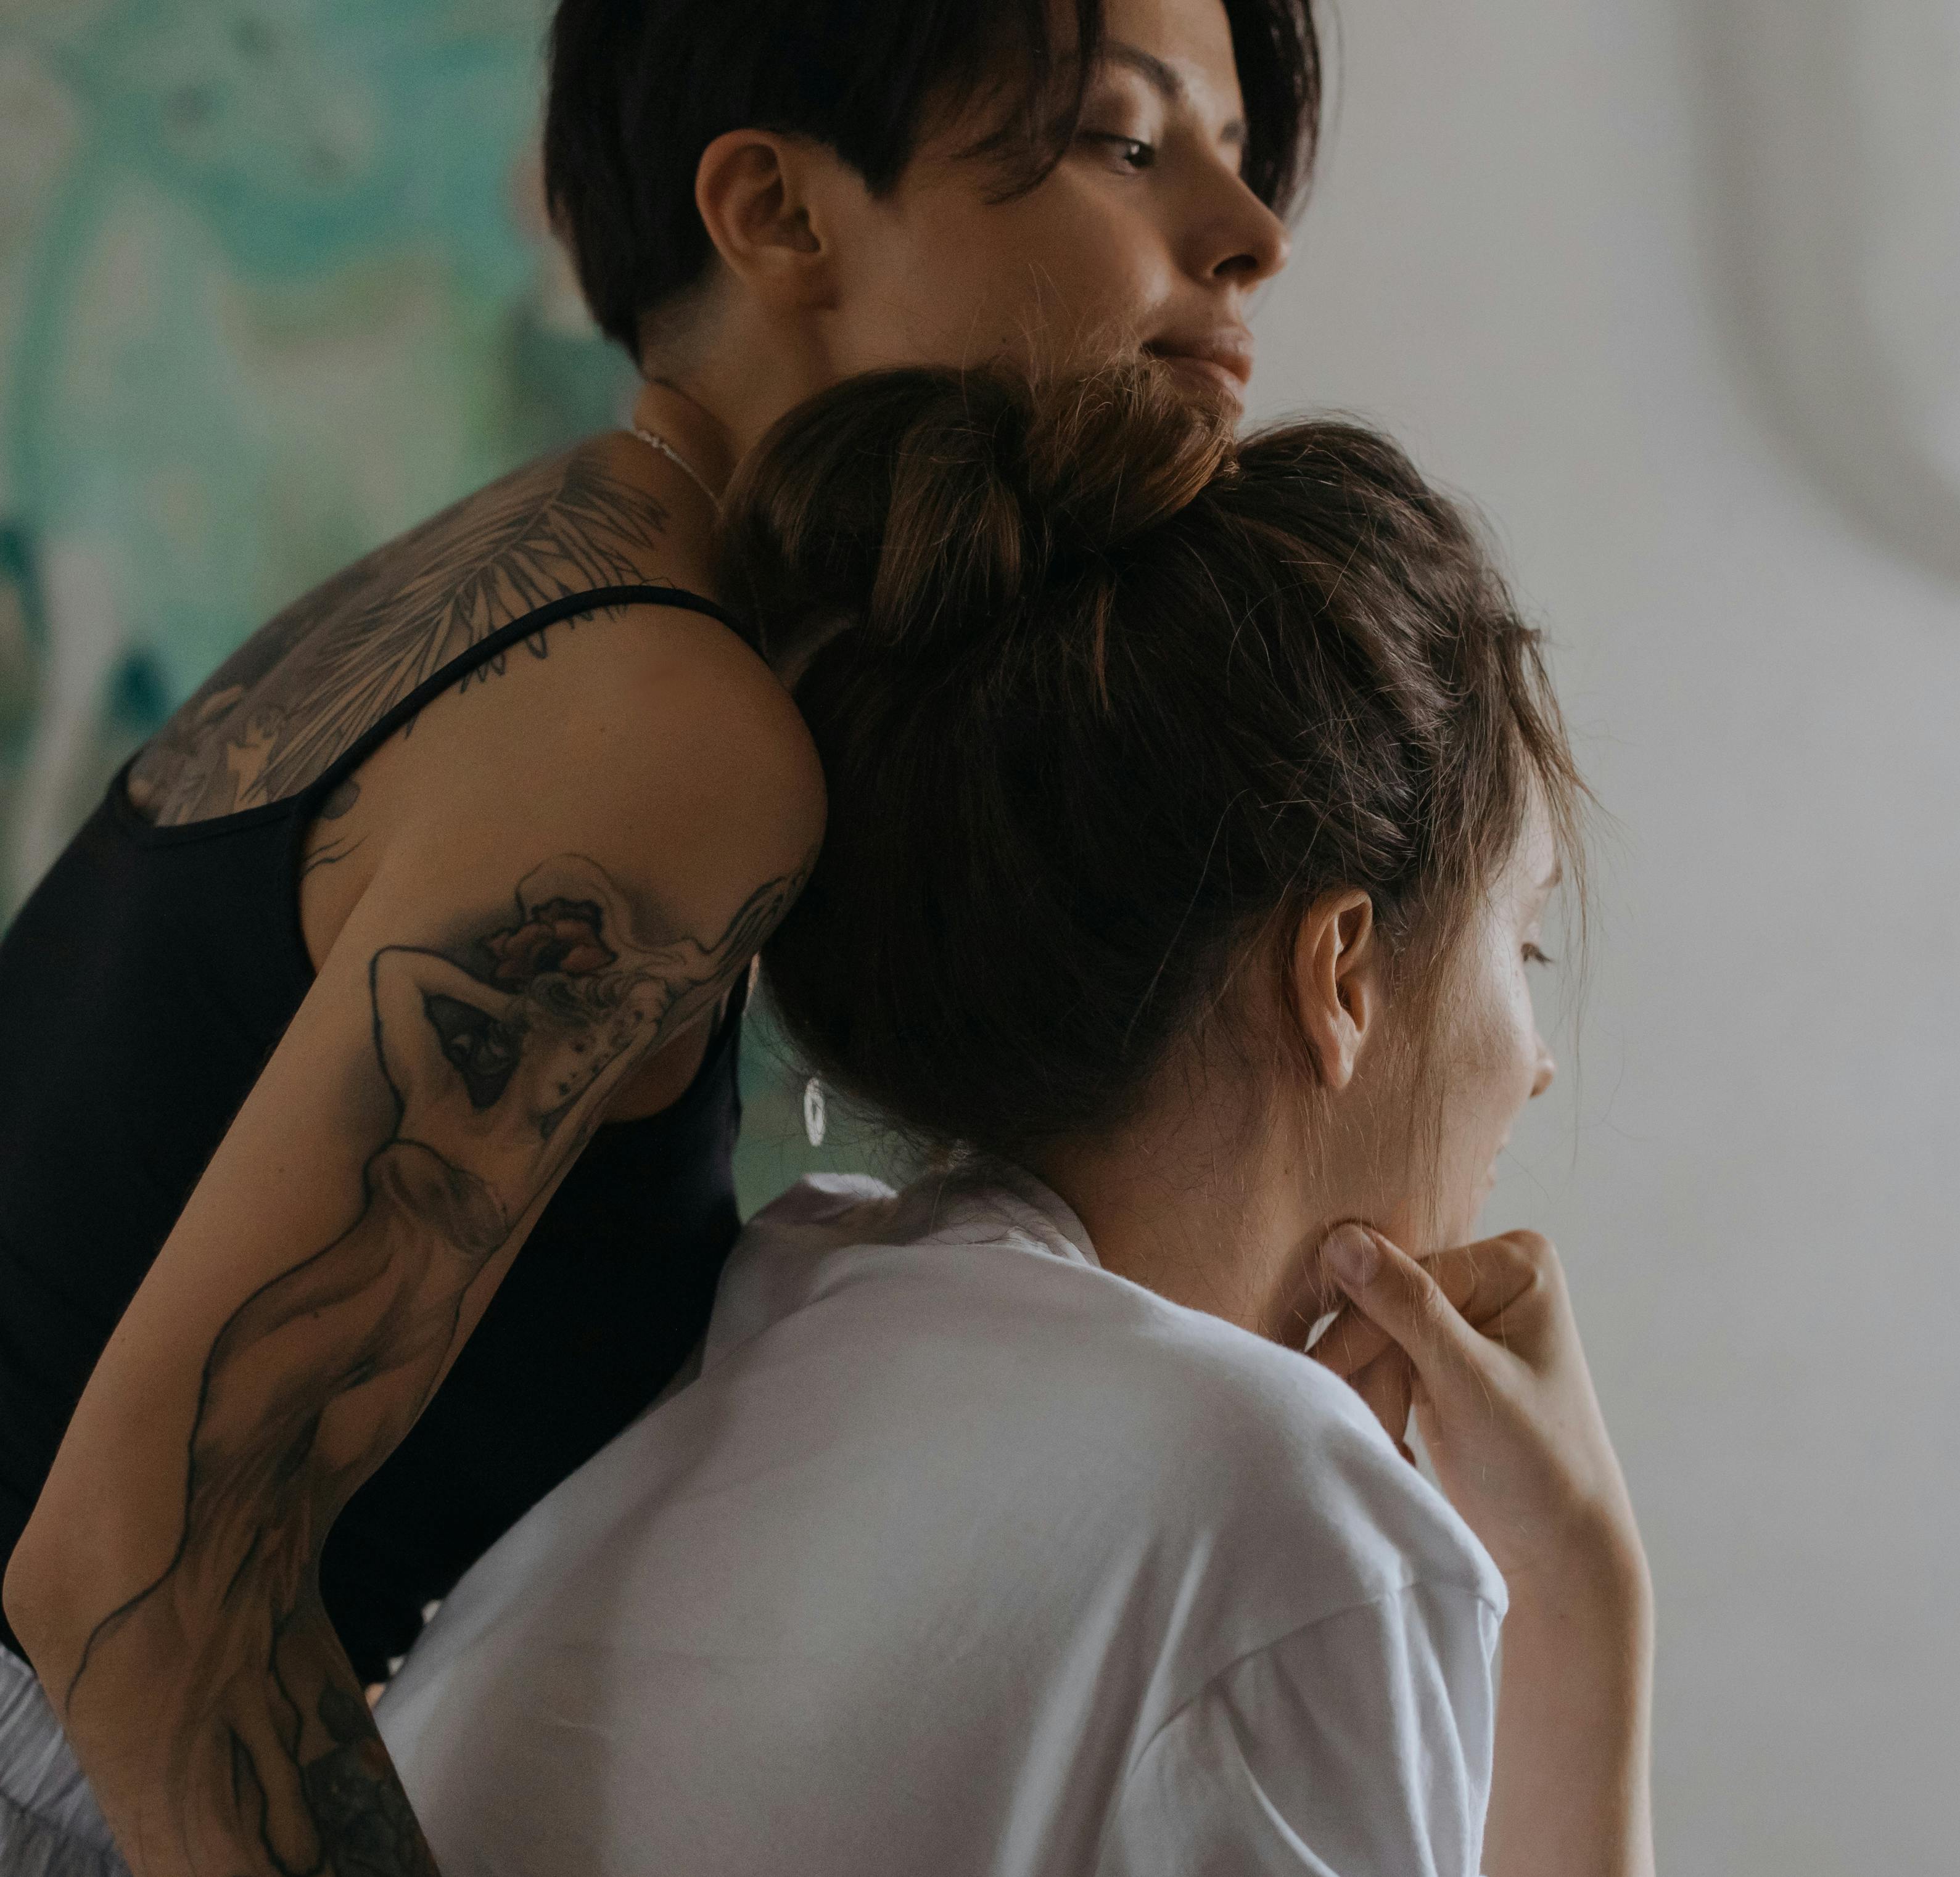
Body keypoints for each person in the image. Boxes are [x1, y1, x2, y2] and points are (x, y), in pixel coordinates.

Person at [0, 2, 1315, 1871]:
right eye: (1126, 140)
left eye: (1243, 152)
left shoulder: (533, 589)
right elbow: (140, 1588)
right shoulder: (665, 731)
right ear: (776, 211)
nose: (1251, 226)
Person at [371, 364, 1655, 1876]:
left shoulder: (794, 1299)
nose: (1537, 1064)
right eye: (1526, 949)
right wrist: (1589, 1611)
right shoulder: (1278, 1514)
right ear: (1341, 974)